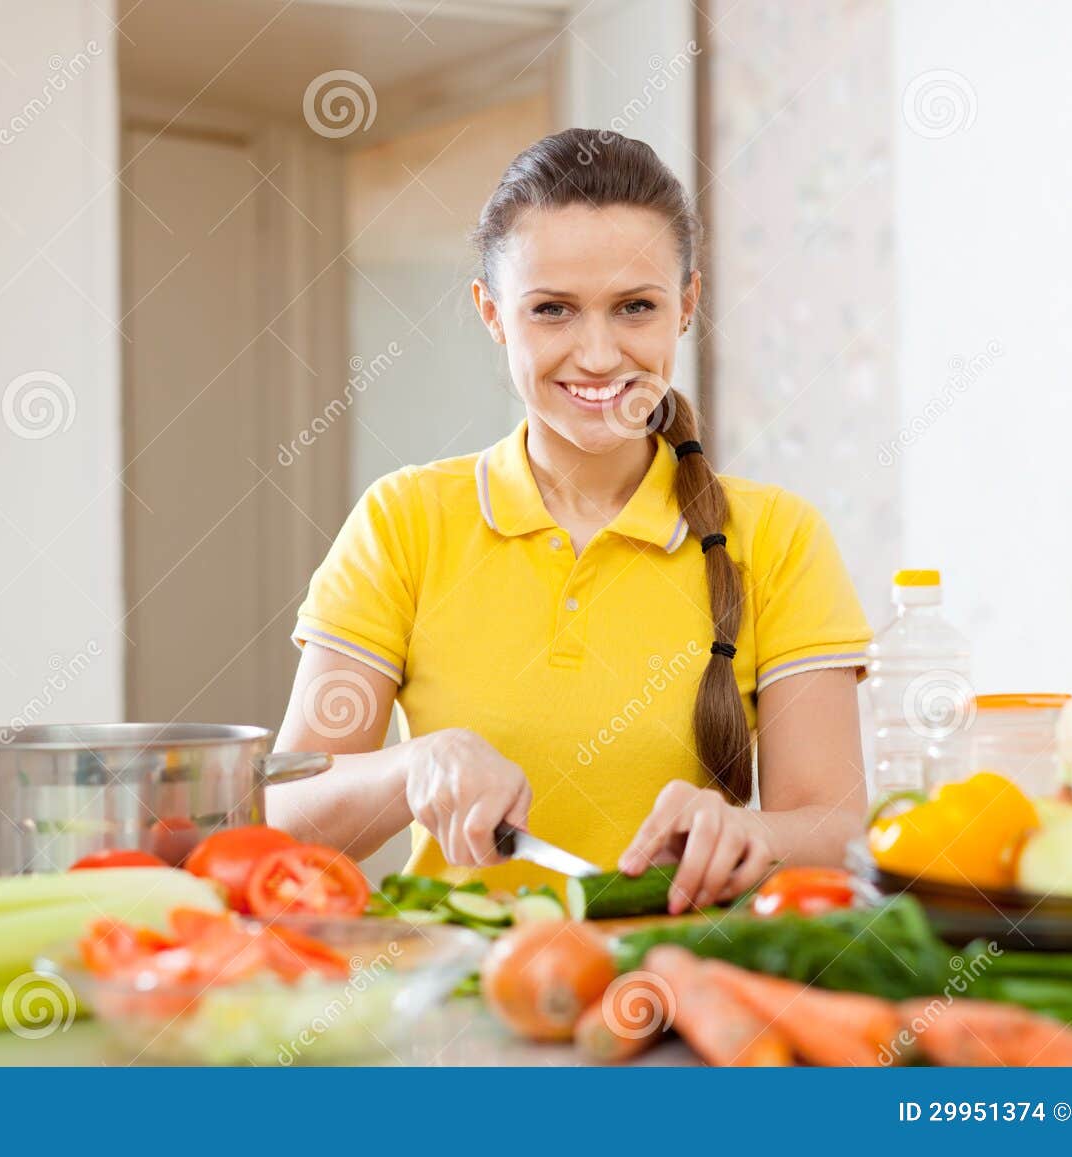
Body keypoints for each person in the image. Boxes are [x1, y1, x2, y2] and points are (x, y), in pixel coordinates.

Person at [268, 128, 872, 913]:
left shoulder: (780, 536)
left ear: (686, 306)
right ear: (492, 314)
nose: (596, 354)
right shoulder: (404, 521)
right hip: (463, 989)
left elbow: (834, 827)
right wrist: (413, 766)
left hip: (686, 986)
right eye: (552, 309)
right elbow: (284, 824)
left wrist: (745, 831)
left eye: (635, 307)